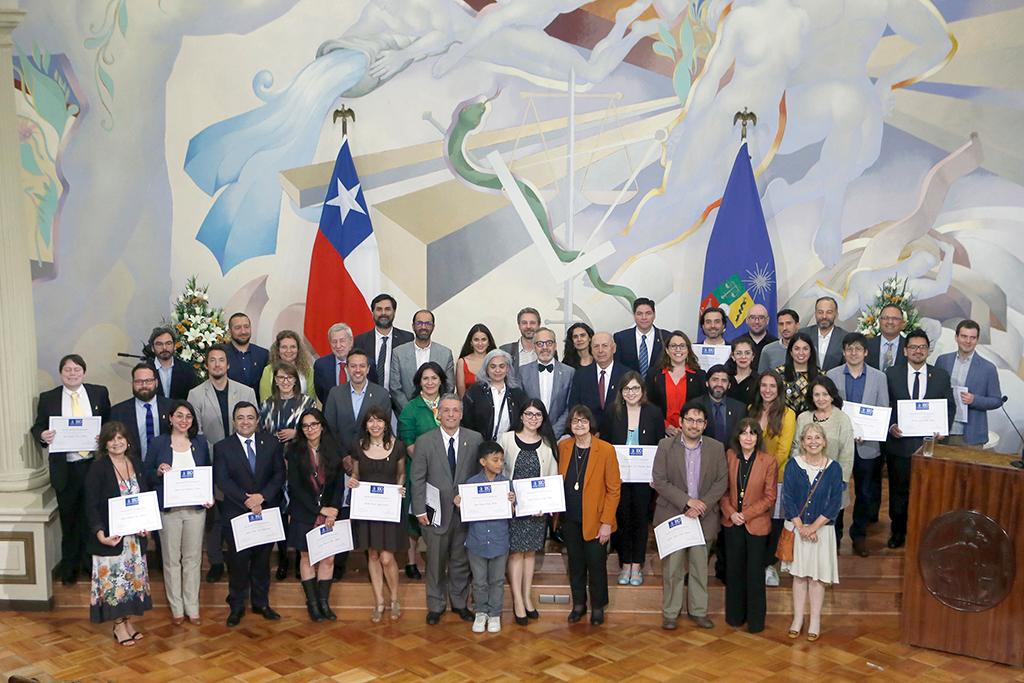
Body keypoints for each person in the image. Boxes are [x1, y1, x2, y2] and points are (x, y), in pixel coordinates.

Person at [31, 354, 111, 585]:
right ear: (61, 373)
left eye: (77, 369)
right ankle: (70, 567)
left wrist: (103, 435)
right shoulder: (49, 398)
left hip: (94, 466)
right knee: (70, 518)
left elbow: (109, 421)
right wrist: (43, 436)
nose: (72, 373)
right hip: (66, 468)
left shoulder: (99, 393)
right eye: (68, 370)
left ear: (84, 372)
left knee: (93, 517)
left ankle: (91, 564)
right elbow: (38, 427)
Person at [652, 400, 728, 630]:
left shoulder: (716, 448)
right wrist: (687, 502)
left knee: (699, 567)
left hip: (703, 517)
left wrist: (701, 504)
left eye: (699, 421)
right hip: (674, 515)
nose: (694, 425)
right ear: (681, 422)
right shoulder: (665, 445)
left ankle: (698, 611)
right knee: (673, 568)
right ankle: (670, 613)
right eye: (690, 420)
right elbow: (660, 481)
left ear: (705, 425)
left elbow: (721, 481)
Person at [410, 394, 484, 625]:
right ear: (438, 414)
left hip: (464, 513)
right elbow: (417, 478)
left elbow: (479, 475)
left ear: (461, 414)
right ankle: (435, 605)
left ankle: (460, 603)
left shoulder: (474, 439)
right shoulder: (424, 441)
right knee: (435, 561)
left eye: (455, 410)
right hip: (434, 514)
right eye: (446, 410)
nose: (451, 414)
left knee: (461, 561)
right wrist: (420, 509)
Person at [187, 344, 257, 583]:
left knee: (241, 506)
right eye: (212, 360)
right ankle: (216, 561)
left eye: (221, 360)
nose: (217, 364)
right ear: (206, 365)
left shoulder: (246, 391)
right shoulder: (196, 394)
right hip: (210, 461)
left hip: (244, 460)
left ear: (228, 365)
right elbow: (196, 432)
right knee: (215, 515)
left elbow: (251, 425)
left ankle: (246, 556)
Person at [213, 402, 286, 627]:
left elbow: (279, 474)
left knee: (262, 561)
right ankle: (236, 606)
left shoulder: (272, 443)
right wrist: (248, 500)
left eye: (250, 417)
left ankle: (261, 603)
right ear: (234, 421)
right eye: (241, 418)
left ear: (257, 420)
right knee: (238, 562)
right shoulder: (222, 447)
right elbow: (222, 480)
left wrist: (261, 497)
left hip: (265, 511)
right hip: (237, 512)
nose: (245, 422)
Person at [883, 329, 954, 549]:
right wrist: (891, 425)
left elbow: (949, 406)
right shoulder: (891, 374)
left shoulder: (940, 375)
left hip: (929, 447)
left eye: (922, 347)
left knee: (928, 492)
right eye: (913, 347)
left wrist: (943, 429)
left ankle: (924, 533)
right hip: (900, 446)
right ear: (905, 351)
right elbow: (885, 405)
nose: (918, 351)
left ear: (928, 350)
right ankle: (898, 532)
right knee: (899, 492)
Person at [86, 421, 153, 645]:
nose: (117, 442)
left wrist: (146, 523)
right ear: (104, 443)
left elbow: (145, 497)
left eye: (120, 437)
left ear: (127, 440)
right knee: (115, 584)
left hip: (134, 538)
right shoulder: (99, 468)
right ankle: (118, 626)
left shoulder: (136, 463)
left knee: (131, 582)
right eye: (111, 439)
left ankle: (126, 622)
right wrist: (100, 533)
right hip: (111, 538)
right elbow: (90, 504)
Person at [149, 400, 212, 626]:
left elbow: (208, 472)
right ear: (170, 418)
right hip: (169, 511)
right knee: (171, 559)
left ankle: (192, 606)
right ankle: (176, 607)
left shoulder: (200, 443)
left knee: (193, 559)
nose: (184, 420)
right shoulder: (158, 443)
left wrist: (208, 495)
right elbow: (147, 473)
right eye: (179, 415)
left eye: (188, 416)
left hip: (196, 511)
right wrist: (157, 470)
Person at [826, 332, 889, 557]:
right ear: (844, 352)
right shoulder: (832, 375)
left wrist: (869, 432)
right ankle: (835, 534)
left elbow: (882, 410)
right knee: (838, 490)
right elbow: (828, 409)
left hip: (867, 444)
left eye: (858, 349)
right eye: (849, 349)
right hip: (838, 444)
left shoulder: (879, 377)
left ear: (866, 352)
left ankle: (859, 535)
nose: (854, 353)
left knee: (865, 492)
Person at [600, 371, 664, 586]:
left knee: (640, 518)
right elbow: (605, 446)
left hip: (644, 479)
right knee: (623, 518)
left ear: (643, 390)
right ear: (621, 392)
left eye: (635, 388)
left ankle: (637, 564)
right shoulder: (612, 412)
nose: (631, 392)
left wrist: (657, 476)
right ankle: (624, 563)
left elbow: (660, 446)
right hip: (618, 478)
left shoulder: (654, 413)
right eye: (627, 389)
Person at [782, 422, 845, 642]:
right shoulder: (793, 465)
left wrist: (813, 527)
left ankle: (815, 620)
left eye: (817, 437)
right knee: (799, 576)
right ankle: (797, 619)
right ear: (802, 442)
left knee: (817, 579)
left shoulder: (834, 468)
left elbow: (835, 502)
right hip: (798, 530)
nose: (813, 442)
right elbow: (787, 498)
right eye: (808, 438)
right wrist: (801, 527)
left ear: (825, 442)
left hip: (822, 531)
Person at [558, 405, 621, 626]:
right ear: (570, 425)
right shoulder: (564, 447)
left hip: (596, 521)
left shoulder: (605, 450)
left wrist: (606, 523)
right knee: (575, 564)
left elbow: (614, 490)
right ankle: (578, 605)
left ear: (590, 424)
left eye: (584, 421)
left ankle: (597, 607)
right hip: (569, 519)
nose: (579, 425)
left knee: (596, 566)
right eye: (575, 421)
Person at [498, 400, 559, 624]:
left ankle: (527, 596)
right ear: (521, 416)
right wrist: (506, 495)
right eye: (529, 414)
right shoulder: (506, 439)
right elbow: (496, 470)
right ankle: (517, 600)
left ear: (543, 419)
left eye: (538, 415)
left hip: (536, 510)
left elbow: (552, 478)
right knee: (516, 553)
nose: (533, 418)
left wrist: (546, 504)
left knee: (531, 552)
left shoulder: (547, 445)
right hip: (513, 508)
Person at [348, 406, 408, 622]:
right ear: (365, 425)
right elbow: (355, 474)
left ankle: (394, 599)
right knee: (373, 555)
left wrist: (400, 488)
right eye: (371, 421)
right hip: (367, 510)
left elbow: (401, 475)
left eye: (379, 421)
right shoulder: (358, 447)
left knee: (386, 557)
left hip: (388, 509)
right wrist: (352, 482)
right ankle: (379, 602)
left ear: (386, 424)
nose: (375, 425)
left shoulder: (398, 446)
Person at [259, 362, 316, 580]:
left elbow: (316, 431)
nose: (285, 382)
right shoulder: (266, 405)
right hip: (274, 466)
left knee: (301, 511)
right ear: (275, 380)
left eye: (289, 378)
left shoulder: (307, 403)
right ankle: (283, 557)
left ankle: (303, 557)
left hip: (301, 465)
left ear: (296, 380)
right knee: (280, 513)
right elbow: (261, 436)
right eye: (281, 377)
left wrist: (297, 433)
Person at [286, 409, 345, 622]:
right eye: (305, 426)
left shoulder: (334, 449)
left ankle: (323, 602)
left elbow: (339, 485)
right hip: (304, 512)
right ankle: (312, 604)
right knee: (307, 557)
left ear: (322, 426)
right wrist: (319, 510)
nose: (310, 429)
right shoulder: (293, 451)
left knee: (328, 558)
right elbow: (295, 488)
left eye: (314, 424)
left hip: (330, 512)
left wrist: (334, 510)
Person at [720, 418, 777, 634]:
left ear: (758, 437)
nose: (748, 437)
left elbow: (770, 497)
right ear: (738, 436)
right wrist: (731, 513)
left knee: (754, 574)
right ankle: (735, 617)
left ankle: (756, 622)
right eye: (744, 433)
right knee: (734, 572)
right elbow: (722, 490)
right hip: (732, 522)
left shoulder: (768, 461)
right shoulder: (729, 457)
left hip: (757, 524)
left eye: (752, 433)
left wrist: (745, 514)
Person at [397, 361, 448, 580]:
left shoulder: (449, 404)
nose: (430, 382)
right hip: (418, 471)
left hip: (447, 473)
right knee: (415, 519)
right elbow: (408, 443)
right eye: (425, 378)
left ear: (441, 381)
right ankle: (411, 562)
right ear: (419, 382)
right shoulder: (410, 408)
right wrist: (430, 466)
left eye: (434, 378)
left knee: (443, 517)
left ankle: (439, 563)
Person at [792, 377, 855, 548]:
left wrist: (840, 481)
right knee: (806, 531)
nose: (821, 398)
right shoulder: (803, 418)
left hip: (832, 485)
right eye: (816, 395)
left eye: (825, 394)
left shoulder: (842, 419)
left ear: (832, 395)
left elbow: (847, 453)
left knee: (831, 532)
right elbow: (796, 448)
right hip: (805, 485)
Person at [458, 441, 514, 633]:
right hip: (477, 541)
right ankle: (481, 612)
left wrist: (512, 502)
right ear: (483, 461)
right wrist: (460, 502)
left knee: (497, 580)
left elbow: (513, 511)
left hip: (499, 540)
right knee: (479, 580)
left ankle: (495, 613)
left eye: (501, 460)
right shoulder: (471, 484)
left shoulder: (506, 483)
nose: (499, 464)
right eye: (495, 460)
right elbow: (465, 511)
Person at [749, 370, 796, 586]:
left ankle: (770, 565)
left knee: (775, 524)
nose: (767, 390)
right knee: (757, 520)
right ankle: (756, 563)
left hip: (778, 478)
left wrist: (765, 476)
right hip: (752, 477)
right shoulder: (752, 411)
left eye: (772, 386)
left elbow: (784, 451)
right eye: (764, 386)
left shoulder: (788, 414)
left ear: (779, 390)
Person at [936, 319, 1002, 447]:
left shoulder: (988, 368)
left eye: (972, 337)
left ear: (977, 340)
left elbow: (997, 401)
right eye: (964, 336)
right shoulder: (943, 361)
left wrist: (974, 400)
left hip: (971, 436)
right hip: (944, 432)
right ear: (956, 337)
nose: (968, 341)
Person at [324, 348, 392, 458]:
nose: (358, 370)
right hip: (340, 460)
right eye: (353, 366)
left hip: (371, 459)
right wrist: (344, 456)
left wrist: (366, 455)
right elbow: (330, 429)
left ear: (368, 369)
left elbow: (384, 429)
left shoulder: (382, 395)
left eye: (362, 366)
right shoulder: (335, 394)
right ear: (346, 368)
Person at [390, 309, 456, 411]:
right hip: (408, 414)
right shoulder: (398, 353)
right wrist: (411, 411)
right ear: (413, 326)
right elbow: (395, 388)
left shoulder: (445, 354)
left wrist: (437, 411)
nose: (423, 327)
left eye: (428, 323)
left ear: (433, 327)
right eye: (419, 323)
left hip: (437, 416)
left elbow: (449, 387)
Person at [109, 363, 172, 467]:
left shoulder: (172, 407)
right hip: (132, 469)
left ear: (156, 382)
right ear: (132, 383)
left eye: (148, 381)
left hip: (166, 468)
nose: (144, 386)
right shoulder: (118, 412)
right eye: (139, 382)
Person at [647, 330, 706, 438]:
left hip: (691, 432)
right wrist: (665, 426)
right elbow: (648, 404)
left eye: (682, 346)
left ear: (688, 349)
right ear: (667, 350)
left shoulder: (699, 376)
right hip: (661, 432)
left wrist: (686, 427)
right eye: (673, 346)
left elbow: (703, 406)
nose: (678, 349)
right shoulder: (654, 374)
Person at [518, 327, 575, 438]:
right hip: (529, 434)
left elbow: (569, 407)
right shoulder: (522, 372)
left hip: (558, 436)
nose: (545, 347)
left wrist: (553, 432)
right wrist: (532, 429)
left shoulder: (569, 372)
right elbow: (520, 405)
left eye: (549, 343)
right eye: (540, 344)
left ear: (555, 346)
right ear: (534, 347)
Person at [462, 349, 529, 440]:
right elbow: (466, 421)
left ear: (507, 369)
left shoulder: (517, 393)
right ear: (486, 369)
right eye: (493, 367)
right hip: (481, 446)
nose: (497, 370)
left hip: (510, 445)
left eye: (502, 366)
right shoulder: (475, 391)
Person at [352, 293, 414, 387]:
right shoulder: (360, 341)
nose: (383, 313)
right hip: (369, 397)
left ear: (394, 312)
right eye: (379, 309)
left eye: (388, 309)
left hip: (398, 398)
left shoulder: (407, 338)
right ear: (373, 312)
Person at [568, 331, 625, 428]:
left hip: (619, 433)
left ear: (614, 348)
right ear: (591, 350)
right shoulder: (581, 375)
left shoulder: (626, 375)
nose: (600, 350)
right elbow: (574, 407)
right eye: (596, 346)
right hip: (589, 433)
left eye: (605, 346)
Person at [613, 297, 667, 382]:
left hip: (658, 392)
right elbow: (617, 368)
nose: (644, 317)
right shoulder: (621, 338)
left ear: (654, 315)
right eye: (639, 314)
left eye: (648, 313)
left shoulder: (666, 337)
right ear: (634, 315)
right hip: (630, 391)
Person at [259, 330, 315, 401]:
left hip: (303, 411)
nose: (289, 350)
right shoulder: (268, 370)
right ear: (278, 350)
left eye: (293, 347)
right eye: (284, 347)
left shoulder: (307, 370)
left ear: (298, 349)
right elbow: (265, 401)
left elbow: (311, 400)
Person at [698, 364, 747, 444]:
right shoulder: (696, 405)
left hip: (731, 454)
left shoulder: (740, 409)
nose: (719, 384)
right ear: (707, 383)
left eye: (724, 380)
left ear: (729, 385)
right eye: (715, 380)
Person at [148, 326, 200, 400]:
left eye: (168, 343)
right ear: (152, 348)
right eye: (159, 344)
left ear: (175, 346)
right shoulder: (145, 370)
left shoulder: (187, 370)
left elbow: (194, 399)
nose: (164, 348)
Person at [225, 312, 269, 393]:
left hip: (257, 405)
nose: (243, 331)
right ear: (229, 331)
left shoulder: (263, 354)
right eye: (238, 328)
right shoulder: (222, 354)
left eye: (246, 327)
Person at [800, 297, 847, 371]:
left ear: (836, 314)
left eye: (829, 312)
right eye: (820, 312)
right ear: (815, 313)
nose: (824, 316)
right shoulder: (802, 334)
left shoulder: (845, 337)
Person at [777, 332, 819, 415]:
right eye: (796, 349)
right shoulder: (778, 374)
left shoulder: (820, 375)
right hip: (784, 421)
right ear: (791, 352)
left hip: (812, 423)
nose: (801, 352)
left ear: (811, 352)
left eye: (805, 349)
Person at [312, 322, 354, 406]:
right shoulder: (321, 365)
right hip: (331, 414)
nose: (338, 346)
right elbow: (321, 394)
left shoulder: (364, 363)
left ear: (351, 341)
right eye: (334, 341)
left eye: (342, 341)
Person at [455, 323, 497, 396]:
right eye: (476, 340)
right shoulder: (462, 362)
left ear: (489, 342)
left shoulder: (496, 360)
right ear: (471, 342)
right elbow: (461, 395)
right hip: (468, 406)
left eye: (483, 339)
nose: (480, 343)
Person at [732, 303, 777, 369]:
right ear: (747, 320)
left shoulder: (775, 344)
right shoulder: (736, 343)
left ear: (767, 320)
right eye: (752, 317)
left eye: (761, 318)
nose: (756, 322)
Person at [865, 303, 906, 371]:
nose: (890, 322)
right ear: (879, 321)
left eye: (895, 318)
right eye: (885, 318)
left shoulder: (909, 346)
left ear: (902, 322)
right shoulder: (867, 345)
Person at [758, 309, 800, 373]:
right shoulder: (767, 350)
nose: (784, 328)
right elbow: (761, 377)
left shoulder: (807, 349)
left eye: (788, 323)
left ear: (797, 325)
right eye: (781, 324)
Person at [499, 307, 541, 371]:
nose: (528, 326)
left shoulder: (547, 350)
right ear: (519, 325)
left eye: (532, 323)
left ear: (539, 325)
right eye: (524, 323)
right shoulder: (505, 351)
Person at [727, 338, 757, 407]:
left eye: (747, 353)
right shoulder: (726, 378)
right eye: (738, 353)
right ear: (733, 356)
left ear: (753, 356)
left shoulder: (758, 380)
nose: (743, 357)